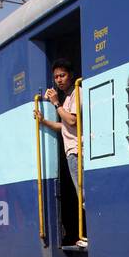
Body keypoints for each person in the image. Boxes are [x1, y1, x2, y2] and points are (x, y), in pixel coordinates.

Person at [33, 58, 86, 246]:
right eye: (56, 77)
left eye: (62, 75)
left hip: (77, 151)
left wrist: (56, 103)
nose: (59, 80)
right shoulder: (68, 97)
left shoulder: (76, 93)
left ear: (70, 75)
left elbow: (72, 120)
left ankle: (89, 237)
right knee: (82, 195)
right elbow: (63, 125)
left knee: (84, 195)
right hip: (72, 151)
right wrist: (44, 121)